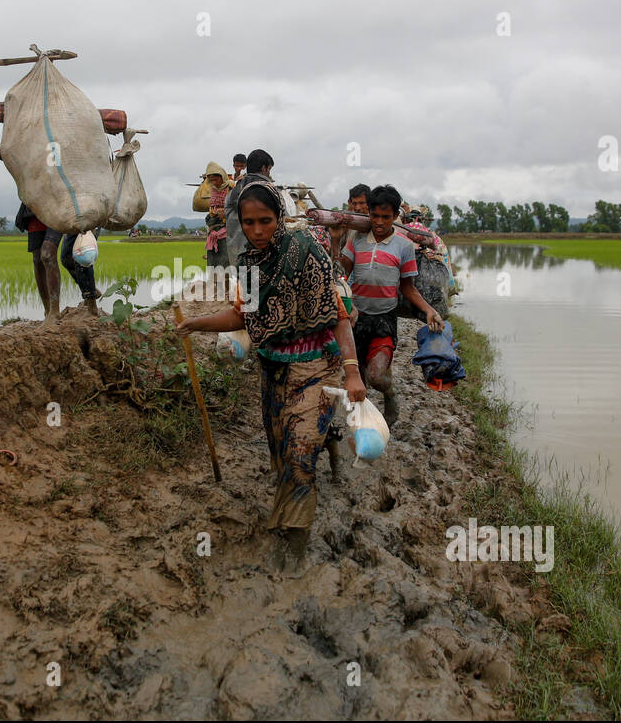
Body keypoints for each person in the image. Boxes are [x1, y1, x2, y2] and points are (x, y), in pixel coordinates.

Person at [177, 180, 366, 577]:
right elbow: (242, 318)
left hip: (315, 366)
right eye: (249, 223)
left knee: (299, 456)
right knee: (280, 452)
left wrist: (352, 373)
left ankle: (295, 546)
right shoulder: (247, 264)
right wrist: (198, 323)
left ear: (279, 217)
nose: (257, 230)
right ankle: (289, 516)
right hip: (273, 368)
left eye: (265, 220)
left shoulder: (307, 253)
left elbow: (340, 317)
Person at [338, 185, 445, 426]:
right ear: (369, 214)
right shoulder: (357, 240)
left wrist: (429, 310)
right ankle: (365, 426)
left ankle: (389, 393)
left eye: (385, 217)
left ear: (396, 216)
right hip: (357, 319)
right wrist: (336, 239)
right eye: (374, 216)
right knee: (360, 377)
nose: (379, 222)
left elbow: (408, 288)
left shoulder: (404, 246)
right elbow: (342, 274)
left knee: (377, 377)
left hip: (384, 320)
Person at [15, 203, 102, 320]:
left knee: (59, 254)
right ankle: (48, 312)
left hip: (61, 204)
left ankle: (89, 302)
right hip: (34, 206)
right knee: (38, 259)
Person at [224, 148, 276, 265]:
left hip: (237, 255)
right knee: (255, 282)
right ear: (263, 168)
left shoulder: (235, 190)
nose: (269, 174)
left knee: (243, 282)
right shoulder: (267, 190)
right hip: (262, 256)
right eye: (269, 169)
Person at [192, 162, 232, 268]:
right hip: (214, 228)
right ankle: (214, 283)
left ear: (222, 176)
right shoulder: (213, 190)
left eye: (216, 179)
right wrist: (213, 212)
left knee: (225, 261)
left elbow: (239, 206)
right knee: (212, 262)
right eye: (211, 181)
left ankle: (227, 282)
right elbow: (211, 206)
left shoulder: (231, 187)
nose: (214, 183)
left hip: (227, 230)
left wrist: (226, 213)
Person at [326, 183, 371, 272]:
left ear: (370, 203)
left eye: (362, 203)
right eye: (354, 203)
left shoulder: (378, 224)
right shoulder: (347, 224)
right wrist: (335, 239)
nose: (357, 208)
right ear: (350, 203)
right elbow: (338, 263)